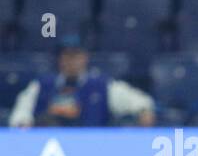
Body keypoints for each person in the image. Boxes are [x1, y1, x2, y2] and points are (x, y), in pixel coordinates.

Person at [9, 41, 154, 128]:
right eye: (67, 56)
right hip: (48, 142)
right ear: (60, 59)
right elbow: (21, 113)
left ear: (85, 58)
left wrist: (144, 110)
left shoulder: (102, 85)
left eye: (76, 56)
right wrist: (23, 123)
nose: (71, 61)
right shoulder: (42, 85)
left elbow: (141, 102)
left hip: (92, 146)